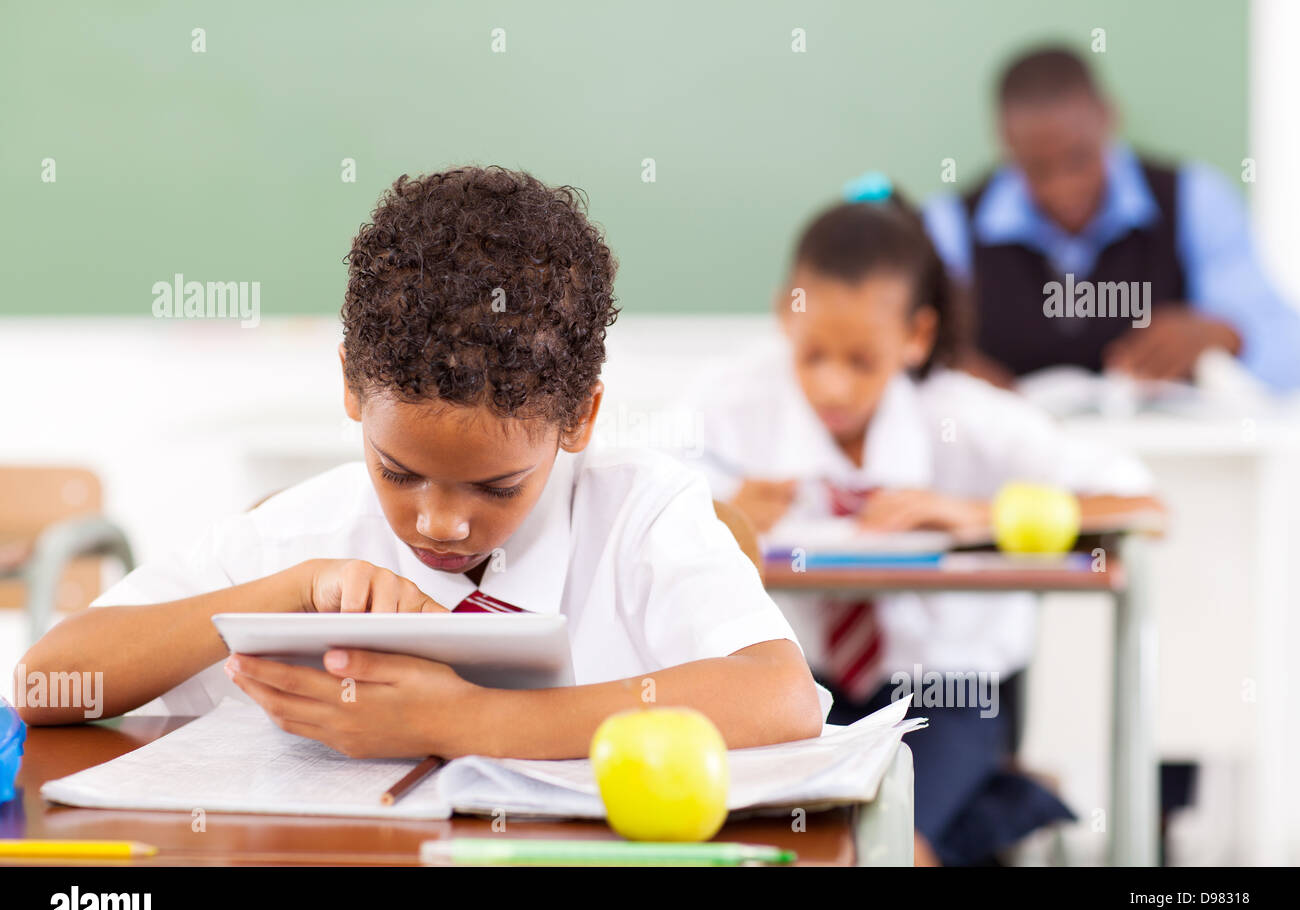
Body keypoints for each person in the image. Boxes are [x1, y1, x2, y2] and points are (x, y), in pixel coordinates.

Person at [15, 166, 829, 758]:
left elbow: (781, 695)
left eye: (496, 486)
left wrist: (464, 720)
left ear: (579, 419)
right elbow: (45, 684)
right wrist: (288, 593)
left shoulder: (642, 517)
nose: (438, 521)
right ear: (349, 389)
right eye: (398, 471)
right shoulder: (304, 535)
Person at [683, 178, 1162, 864]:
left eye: (861, 361)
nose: (832, 387)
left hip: (943, 691)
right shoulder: (736, 400)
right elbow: (637, 500)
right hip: (803, 685)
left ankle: (981, 802)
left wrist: (976, 514)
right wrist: (720, 513)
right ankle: (1003, 806)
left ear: (916, 336)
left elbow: (1143, 502)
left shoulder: (964, 417)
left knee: (896, 847)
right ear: (784, 317)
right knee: (794, 845)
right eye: (813, 355)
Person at [923, 45, 1300, 391]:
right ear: (1006, 140)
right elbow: (903, 354)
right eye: (1038, 168)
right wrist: (944, 369)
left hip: (1171, 458)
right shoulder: (950, 226)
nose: (1062, 187)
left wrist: (1226, 335)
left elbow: (1289, 347)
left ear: (1108, 116)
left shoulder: (1193, 201)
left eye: (1079, 158)